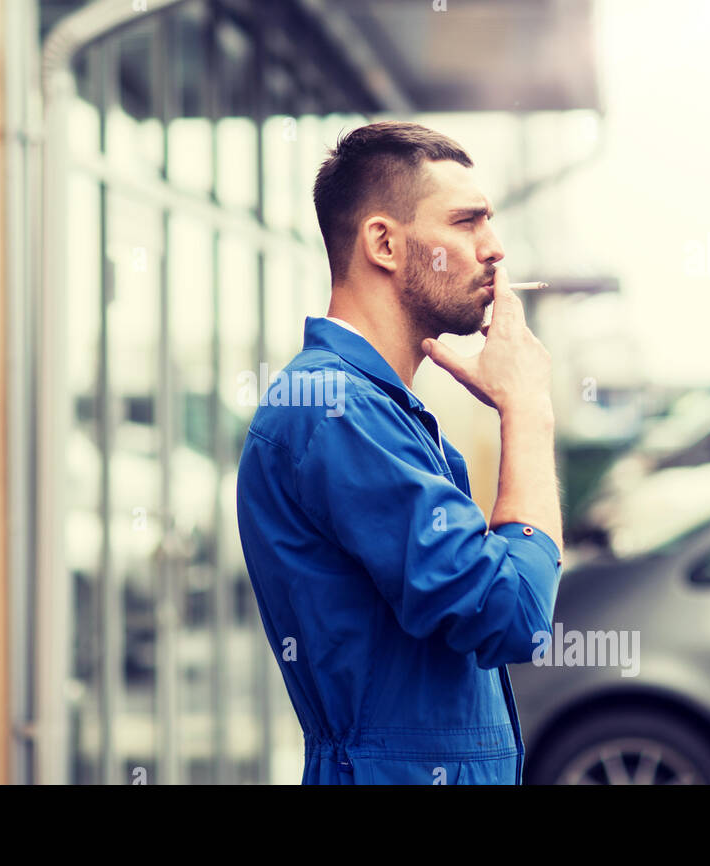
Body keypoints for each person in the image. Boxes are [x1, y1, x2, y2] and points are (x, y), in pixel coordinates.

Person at [235, 120, 564, 785]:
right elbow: (515, 614)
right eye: (467, 223)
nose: (494, 248)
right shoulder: (336, 412)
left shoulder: (382, 413)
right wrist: (527, 411)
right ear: (383, 242)